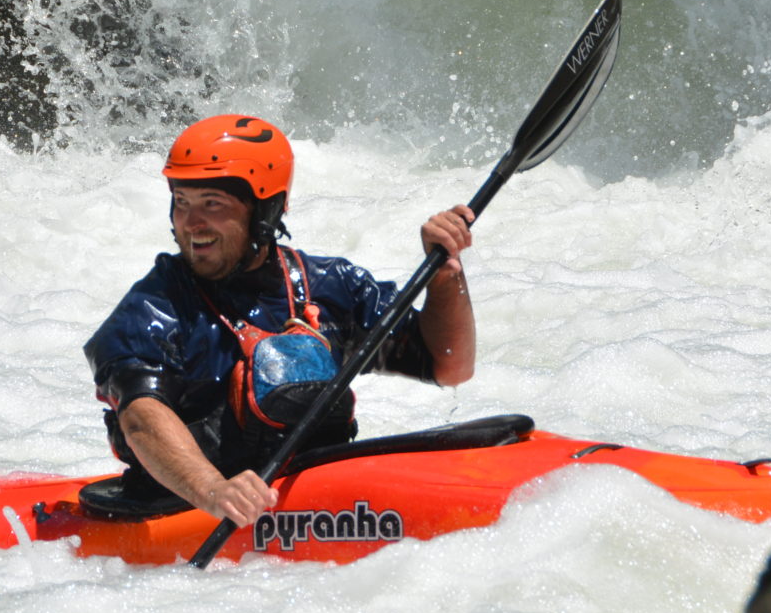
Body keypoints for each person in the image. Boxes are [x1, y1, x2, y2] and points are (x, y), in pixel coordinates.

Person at [83, 114, 476, 529]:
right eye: (182, 202)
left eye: (212, 203)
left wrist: (446, 275)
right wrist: (214, 491)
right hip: (189, 510)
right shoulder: (156, 303)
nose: (191, 223)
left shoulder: (332, 286)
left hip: (319, 506)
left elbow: (450, 366)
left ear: (265, 210)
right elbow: (142, 416)